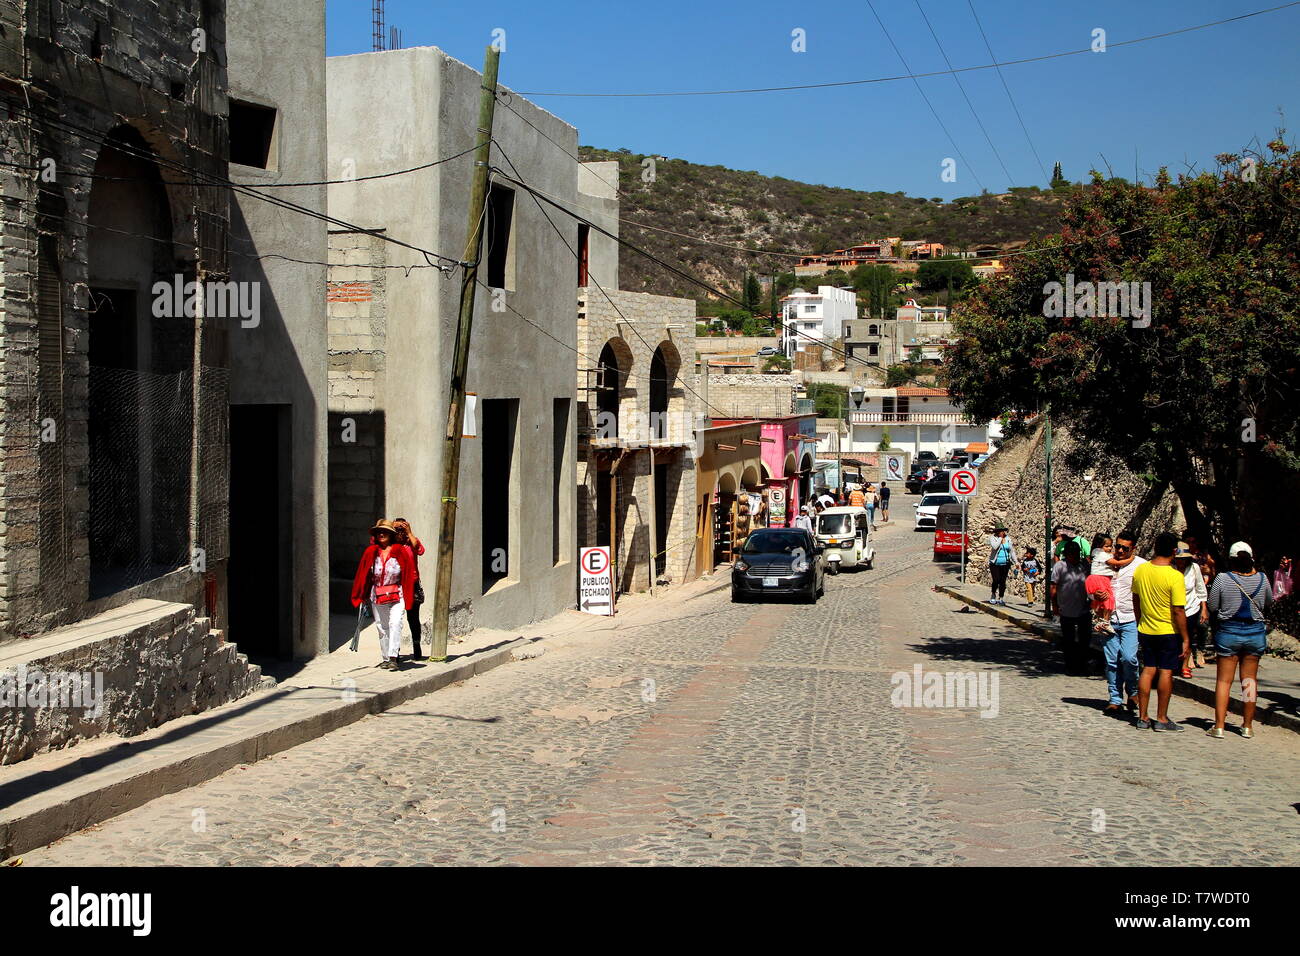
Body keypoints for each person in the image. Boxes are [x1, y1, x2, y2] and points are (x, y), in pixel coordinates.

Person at [1205, 541, 1274, 739]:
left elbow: (1212, 605)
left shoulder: (1223, 579)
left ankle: (1218, 726)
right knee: (1249, 681)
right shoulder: (1262, 578)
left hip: (1229, 632)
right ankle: (1247, 725)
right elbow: (1268, 601)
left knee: (1224, 681)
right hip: (1255, 633)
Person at [1131, 532, 1189, 732]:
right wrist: (1185, 638)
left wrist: (1140, 621)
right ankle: (1162, 718)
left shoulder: (1141, 570)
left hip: (1146, 628)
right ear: (1174, 551)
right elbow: (1178, 610)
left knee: (1148, 669)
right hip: (1167, 630)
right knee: (1165, 671)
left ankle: (1143, 717)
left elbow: (1136, 600)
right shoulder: (1175, 576)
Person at [351, 519, 416, 670]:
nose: (381, 534)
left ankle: (394, 657)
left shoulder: (400, 551)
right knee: (382, 626)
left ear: (391, 535)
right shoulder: (371, 552)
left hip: (397, 595)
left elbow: (408, 574)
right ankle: (386, 657)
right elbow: (363, 574)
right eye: (378, 532)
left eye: (385, 532)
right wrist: (363, 594)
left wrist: (408, 595)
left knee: (395, 623)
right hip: (377, 595)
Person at [1102, 532, 1143, 715]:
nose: (1118, 550)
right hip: (1108, 619)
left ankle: (1133, 691)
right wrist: (1094, 595)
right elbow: (1091, 586)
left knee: (1129, 658)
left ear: (1132, 549)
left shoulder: (1141, 566)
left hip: (1130, 619)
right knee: (1111, 661)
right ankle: (1115, 699)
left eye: (1124, 548)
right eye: (1117, 546)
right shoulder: (1104, 563)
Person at [1051, 540, 1091, 674]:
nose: (1075, 556)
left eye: (1077, 554)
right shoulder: (1060, 566)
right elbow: (1053, 587)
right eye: (1072, 554)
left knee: (1084, 640)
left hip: (1083, 610)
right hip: (1066, 610)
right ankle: (1070, 666)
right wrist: (1055, 607)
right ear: (1067, 554)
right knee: (1069, 640)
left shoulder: (1083, 567)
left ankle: (1082, 665)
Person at [1173, 540, 1209, 675]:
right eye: (1178, 559)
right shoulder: (1171, 569)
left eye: (1183, 559)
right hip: (1174, 609)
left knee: (1187, 636)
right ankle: (1174, 663)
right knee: (1175, 637)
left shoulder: (1194, 568)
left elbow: (1200, 589)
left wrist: (1204, 609)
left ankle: (1184, 665)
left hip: (1191, 607)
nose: (1181, 562)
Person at [393, 518, 426, 660]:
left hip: (412, 586)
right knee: (395, 620)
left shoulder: (411, 542)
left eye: (402, 529)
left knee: (413, 619)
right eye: (397, 530)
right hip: (396, 586)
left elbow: (420, 550)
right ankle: (395, 650)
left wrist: (409, 532)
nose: (399, 532)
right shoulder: (391, 545)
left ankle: (417, 646)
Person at [986, 524, 1015, 605]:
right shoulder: (993, 538)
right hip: (995, 563)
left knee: (1002, 581)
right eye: (1000, 531)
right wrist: (1000, 539)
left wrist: (1016, 562)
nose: (1002, 532)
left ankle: (1001, 597)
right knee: (996, 580)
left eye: (1003, 531)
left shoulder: (1008, 539)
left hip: (1005, 563)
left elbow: (1011, 551)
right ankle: (993, 594)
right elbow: (995, 547)